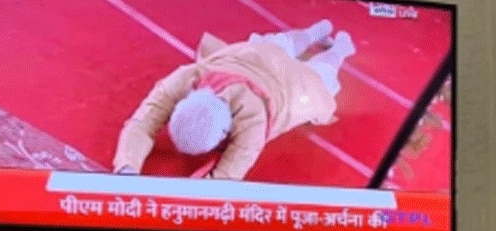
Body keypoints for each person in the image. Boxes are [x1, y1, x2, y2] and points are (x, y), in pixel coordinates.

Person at [112, 19, 356, 180]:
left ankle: (341, 48)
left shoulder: (254, 120)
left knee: (320, 78)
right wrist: (127, 167)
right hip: (253, 56)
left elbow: (226, 176)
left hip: (285, 86)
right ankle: (317, 31)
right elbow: (141, 124)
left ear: (223, 134)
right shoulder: (184, 79)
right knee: (279, 44)